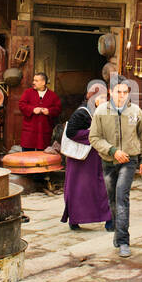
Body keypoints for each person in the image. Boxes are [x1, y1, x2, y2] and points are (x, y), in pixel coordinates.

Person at [88, 79, 142, 258]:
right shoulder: (101, 112)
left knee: (122, 197)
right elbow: (94, 137)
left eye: (125, 92)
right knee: (113, 199)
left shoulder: (135, 111)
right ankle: (118, 233)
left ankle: (124, 241)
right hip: (108, 161)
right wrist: (113, 151)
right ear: (110, 92)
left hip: (129, 161)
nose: (122, 96)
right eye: (118, 92)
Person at [61, 81, 112, 232]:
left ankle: (109, 219)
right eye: (101, 97)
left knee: (103, 188)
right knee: (78, 189)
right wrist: (93, 134)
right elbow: (71, 132)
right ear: (94, 98)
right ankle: (75, 219)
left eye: (105, 97)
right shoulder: (82, 112)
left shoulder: (104, 111)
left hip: (97, 158)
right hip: (81, 160)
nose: (105, 100)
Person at [18, 73, 61, 151]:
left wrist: (49, 111)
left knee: (42, 157)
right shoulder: (28, 92)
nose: (33, 82)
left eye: (36, 81)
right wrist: (32, 109)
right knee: (27, 156)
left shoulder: (53, 95)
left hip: (44, 132)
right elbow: (21, 105)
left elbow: (58, 109)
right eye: (33, 80)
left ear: (43, 82)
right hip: (29, 132)